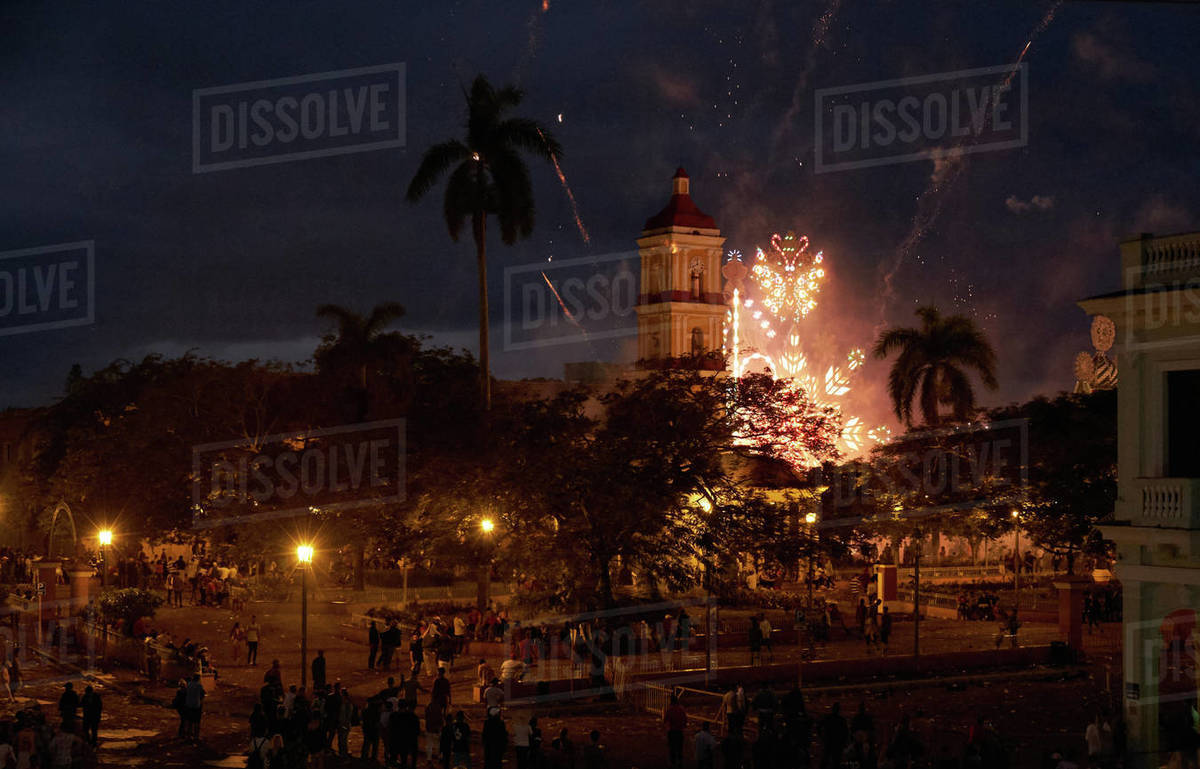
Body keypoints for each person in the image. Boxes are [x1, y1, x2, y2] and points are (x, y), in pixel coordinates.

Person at [391, 700, 421, 769]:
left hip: (397, 740)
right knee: (411, 756)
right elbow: (417, 730)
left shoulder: (394, 716)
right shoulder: (413, 716)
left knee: (398, 759)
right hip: (410, 739)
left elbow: (391, 729)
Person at [819, 702, 849, 769]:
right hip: (837, 743)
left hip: (829, 742)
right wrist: (844, 742)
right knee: (836, 761)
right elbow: (846, 732)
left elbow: (819, 726)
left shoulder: (828, 718)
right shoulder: (841, 720)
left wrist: (821, 736)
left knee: (826, 760)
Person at [663, 694, 687, 769]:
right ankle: (680, 762)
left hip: (672, 731)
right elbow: (685, 720)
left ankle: (673, 763)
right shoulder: (681, 709)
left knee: (672, 748)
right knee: (679, 748)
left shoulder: (670, 710)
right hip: (680, 731)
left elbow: (666, 721)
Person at [186, 673, 206, 740]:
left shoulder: (189, 684)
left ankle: (189, 735)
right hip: (196, 705)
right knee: (197, 722)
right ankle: (196, 736)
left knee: (190, 721)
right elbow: (202, 694)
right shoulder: (199, 685)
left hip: (189, 704)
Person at [425, 698, 446, 765]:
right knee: (438, 745)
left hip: (429, 728)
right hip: (435, 729)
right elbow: (440, 719)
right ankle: (440, 758)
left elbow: (426, 716)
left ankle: (429, 759)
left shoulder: (429, 707)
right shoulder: (438, 708)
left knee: (429, 745)